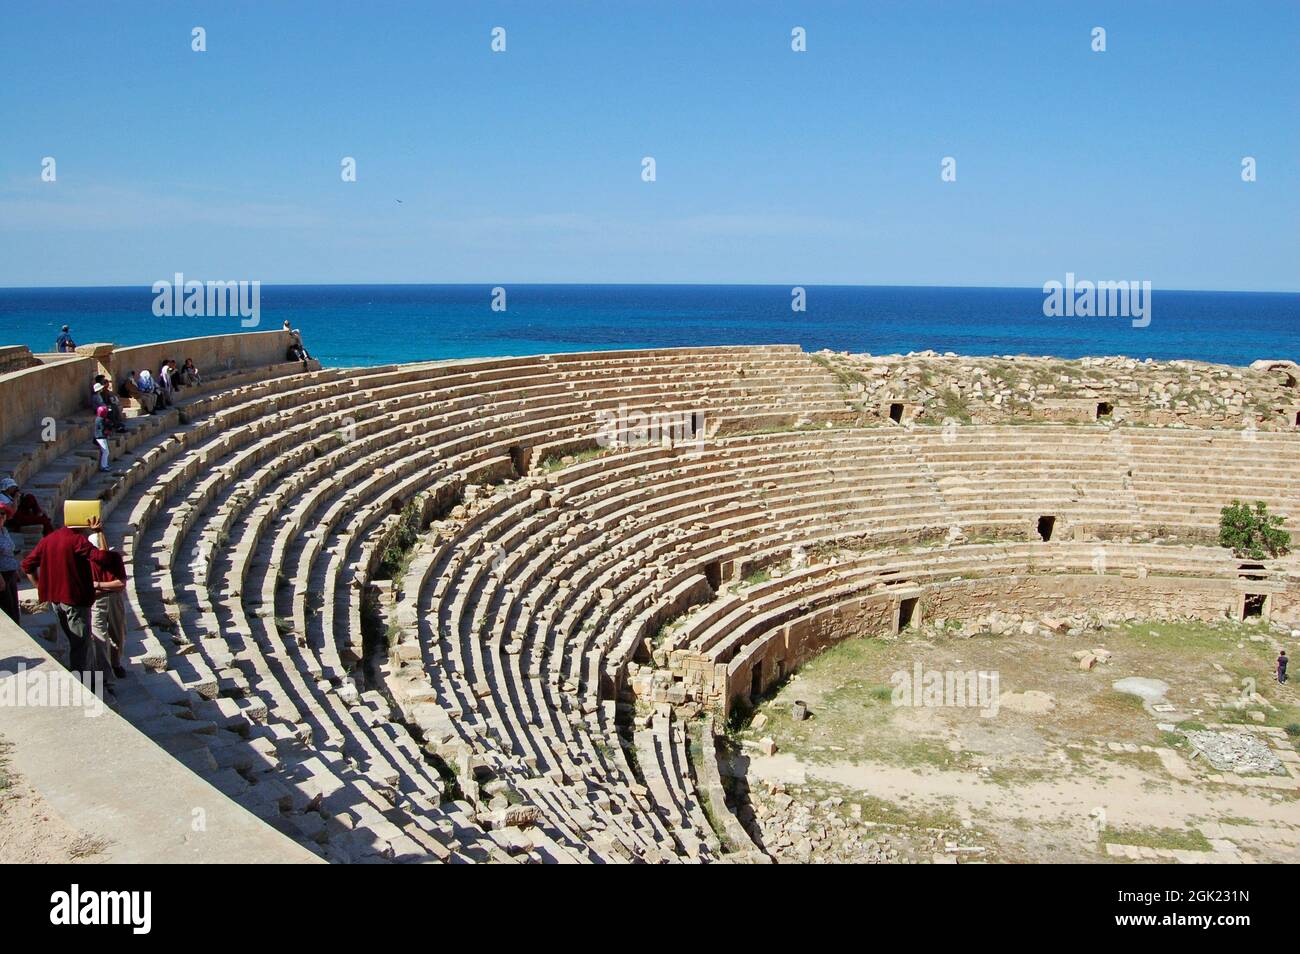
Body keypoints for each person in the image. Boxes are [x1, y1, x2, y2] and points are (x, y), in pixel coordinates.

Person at [21, 514, 113, 675]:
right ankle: (85, 684)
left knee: (70, 641)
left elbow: (27, 565)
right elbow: (104, 559)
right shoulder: (77, 540)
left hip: (55, 600)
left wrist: (41, 587)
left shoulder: (49, 539)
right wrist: (99, 532)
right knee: (80, 644)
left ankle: (83, 675)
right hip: (76, 600)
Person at [89, 528, 128, 681]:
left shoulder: (114, 558)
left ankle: (116, 663)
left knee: (118, 634)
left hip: (114, 599)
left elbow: (120, 584)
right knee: (99, 638)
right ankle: (105, 673)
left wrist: (97, 585)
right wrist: (107, 586)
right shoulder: (87, 561)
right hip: (96, 601)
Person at [0, 482, 20, 624]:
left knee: (14, 608)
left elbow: (10, 552)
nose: (1, 516)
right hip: (2, 576)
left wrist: (16, 571)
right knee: (8, 608)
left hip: (10, 572)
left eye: (3, 514)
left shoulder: (4, 531)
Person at [94, 405, 111, 472]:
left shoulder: (99, 418)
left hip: (101, 437)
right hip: (100, 438)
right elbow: (103, 430)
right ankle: (103, 466)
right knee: (106, 452)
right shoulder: (100, 420)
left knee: (106, 452)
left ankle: (105, 465)